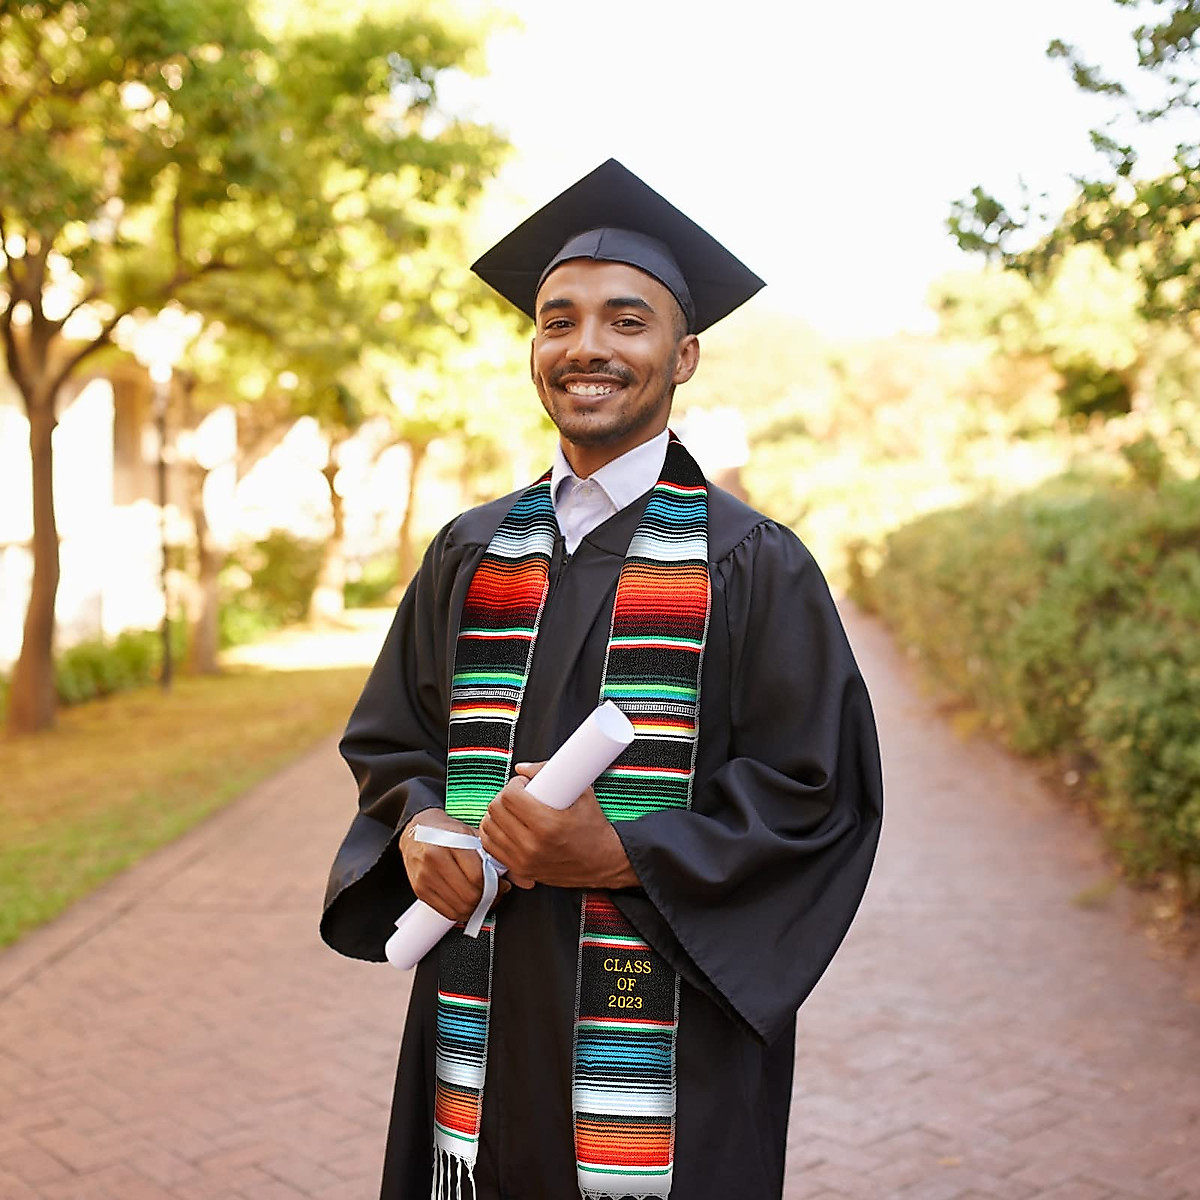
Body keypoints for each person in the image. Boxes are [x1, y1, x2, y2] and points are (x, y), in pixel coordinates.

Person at [320, 159, 883, 1200]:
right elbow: (395, 739)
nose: (586, 347)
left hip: (671, 1042)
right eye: (557, 320)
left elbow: (819, 798)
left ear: (685, 353)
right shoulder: (470, 551)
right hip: (479, 1005)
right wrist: (420, 828)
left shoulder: (754, 563)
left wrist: (624, 850)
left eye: (628, 321)